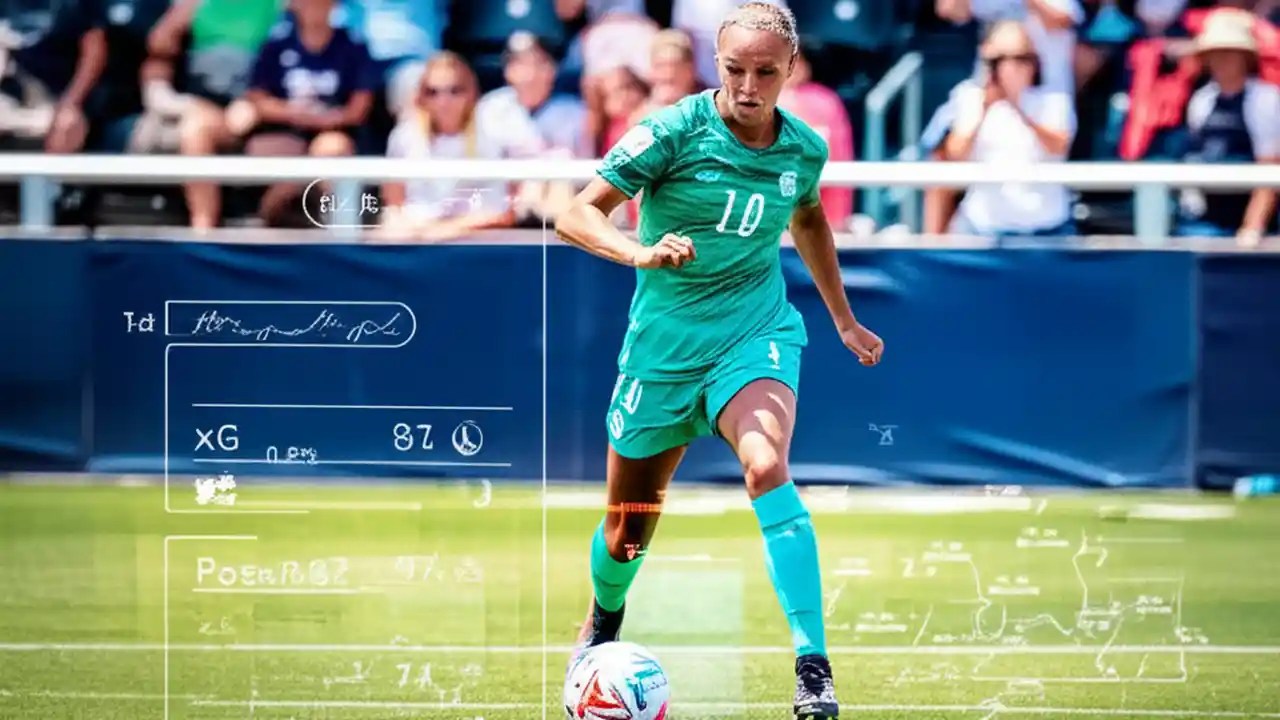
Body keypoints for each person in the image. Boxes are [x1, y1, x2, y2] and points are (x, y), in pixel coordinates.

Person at [553, 4, 884, 719]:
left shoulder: (803, 148)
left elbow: (809, 218)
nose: (748, 86)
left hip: (754, 333)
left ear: (790, 70)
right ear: (718, 65)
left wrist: (843, 319)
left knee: (765, 463)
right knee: (627, 530)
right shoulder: (672, 131)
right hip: (664, 353)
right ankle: (605, 618)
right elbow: (574, 214)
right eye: (735, 69)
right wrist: (639, 251)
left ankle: (813, 668)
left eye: (766, 72)